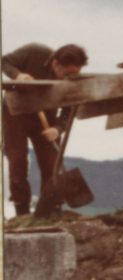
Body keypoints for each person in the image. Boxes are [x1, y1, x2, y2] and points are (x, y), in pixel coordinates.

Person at [1, 43, 87, 217]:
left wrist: (58, 128)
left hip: (47, 118)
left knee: (52, 164)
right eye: (67, 73)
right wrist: (18, 74)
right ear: (56, 64)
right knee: (17, 161)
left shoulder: (73, 78)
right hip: (15, 114)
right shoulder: (34, 52)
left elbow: (70, 108)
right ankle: (22, 210)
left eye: (75, 74)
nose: (70, 78)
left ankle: (50, 209)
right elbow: (4, 62)